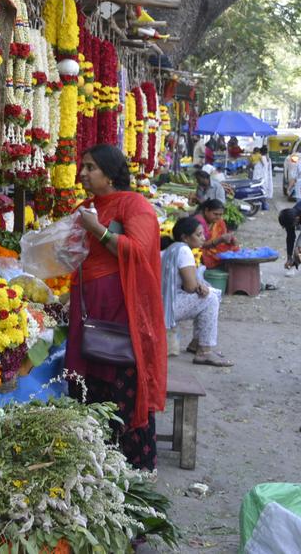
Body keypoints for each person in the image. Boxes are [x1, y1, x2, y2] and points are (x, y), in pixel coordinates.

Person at [68, 144, 167, 470]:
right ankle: (92, 469)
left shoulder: (134, 206)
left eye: (90, 167)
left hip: (122, 316)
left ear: (110, 173)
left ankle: (134, 474)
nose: (82, 173)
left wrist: (96, 228)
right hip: (88, 311)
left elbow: (139, 252)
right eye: (82, 167)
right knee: (88, 388)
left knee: (122, 389)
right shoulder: (87, 206)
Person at [162, 216, 233, 366]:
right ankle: (204, 350)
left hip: (161, 302)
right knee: (211, 298)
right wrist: (198, 286)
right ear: (185, 237)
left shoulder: (171, 248)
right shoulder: (184, 250)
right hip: (165, 307)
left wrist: (198, 285)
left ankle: (197, 343)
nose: (203, 238)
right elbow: (189, 287)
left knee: (209, 294)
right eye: (198, 235)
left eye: (202, 234)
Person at [194, 198, 236, 269]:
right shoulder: (198, 222)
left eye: (220, 215)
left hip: (214, 247)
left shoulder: (219, 222)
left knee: (234, 248)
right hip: (201, 249)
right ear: (206, 211)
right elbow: (200, 244)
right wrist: (220, 239)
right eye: (215, 214)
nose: (218, 217)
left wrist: (231, 239)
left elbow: (223, 236)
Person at [277, 200, 301, 274]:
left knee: (299, 248)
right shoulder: (289, 217)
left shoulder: (292, 218)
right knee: (298, 250)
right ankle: (293, 264)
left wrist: (299, 249)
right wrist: (289, 257)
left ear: (297, 219)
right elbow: (290, 237)